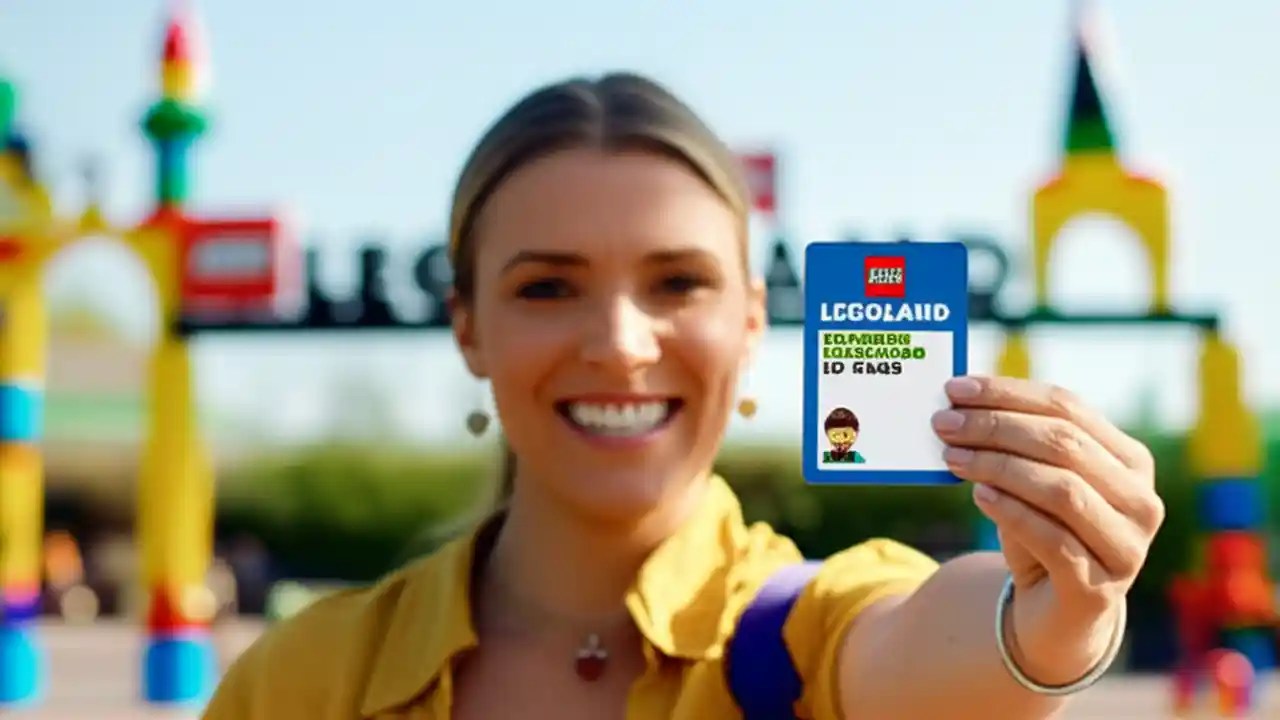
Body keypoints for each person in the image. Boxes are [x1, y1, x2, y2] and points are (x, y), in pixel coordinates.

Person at [201, 72, 1164, 720]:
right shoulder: (298, 681)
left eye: (677, 284)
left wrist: (1056, 612)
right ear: (468, 328)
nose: (620, 344)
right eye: (547, 286)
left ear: (751, 321)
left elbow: (928, 639)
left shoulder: (809, 631)